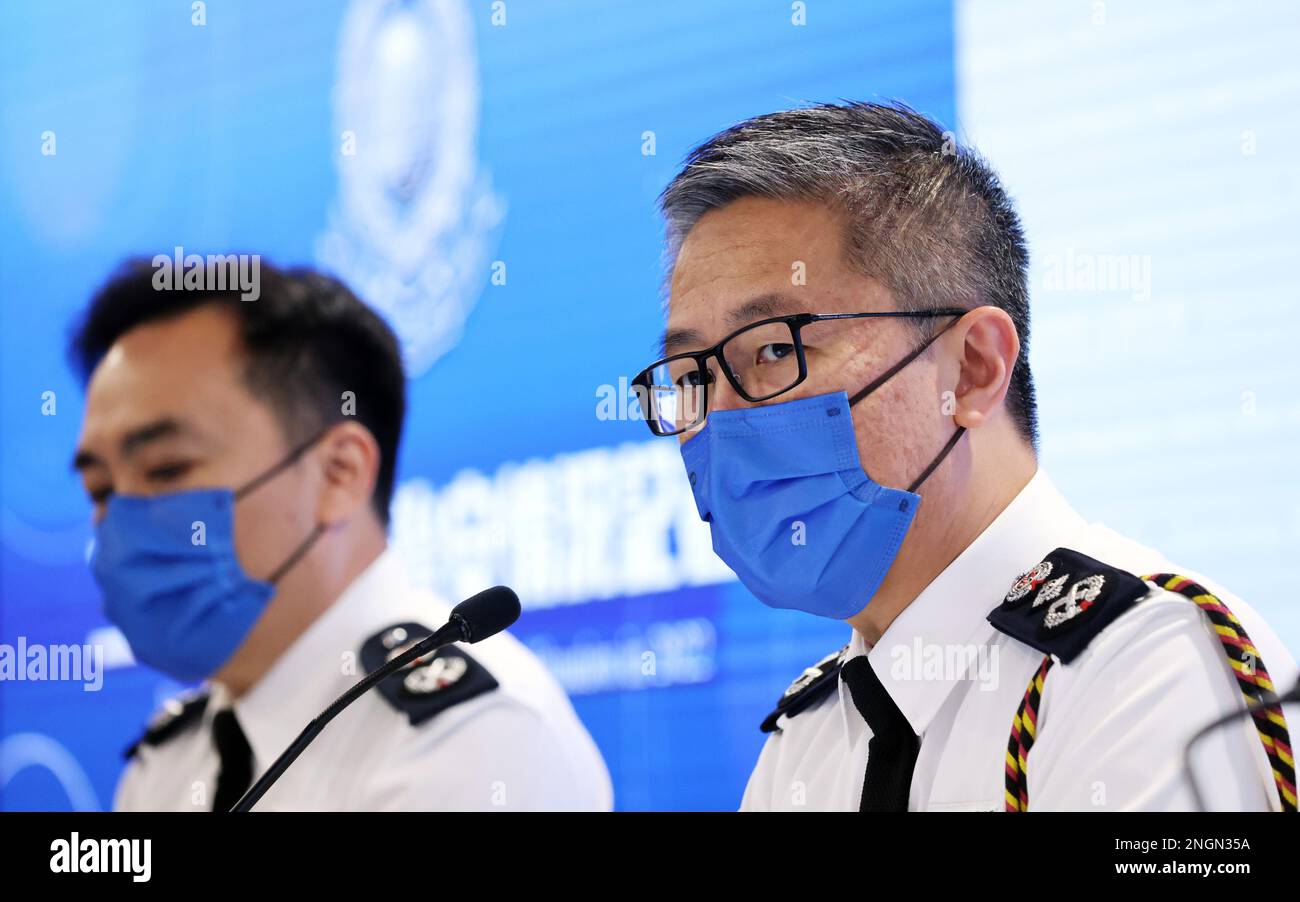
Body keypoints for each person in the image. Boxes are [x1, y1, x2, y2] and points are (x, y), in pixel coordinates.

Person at [631, 101, 1297, 811]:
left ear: (973, 369)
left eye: (773, 350)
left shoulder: (1143, 669)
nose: (721, 420)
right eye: (691, 377)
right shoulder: (809, 739)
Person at [71, 259, 612, 811]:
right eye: (98, 490)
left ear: (339, 474)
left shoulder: (473, 743)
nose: (118, 521)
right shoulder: (167, 764)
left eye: (166, 469)